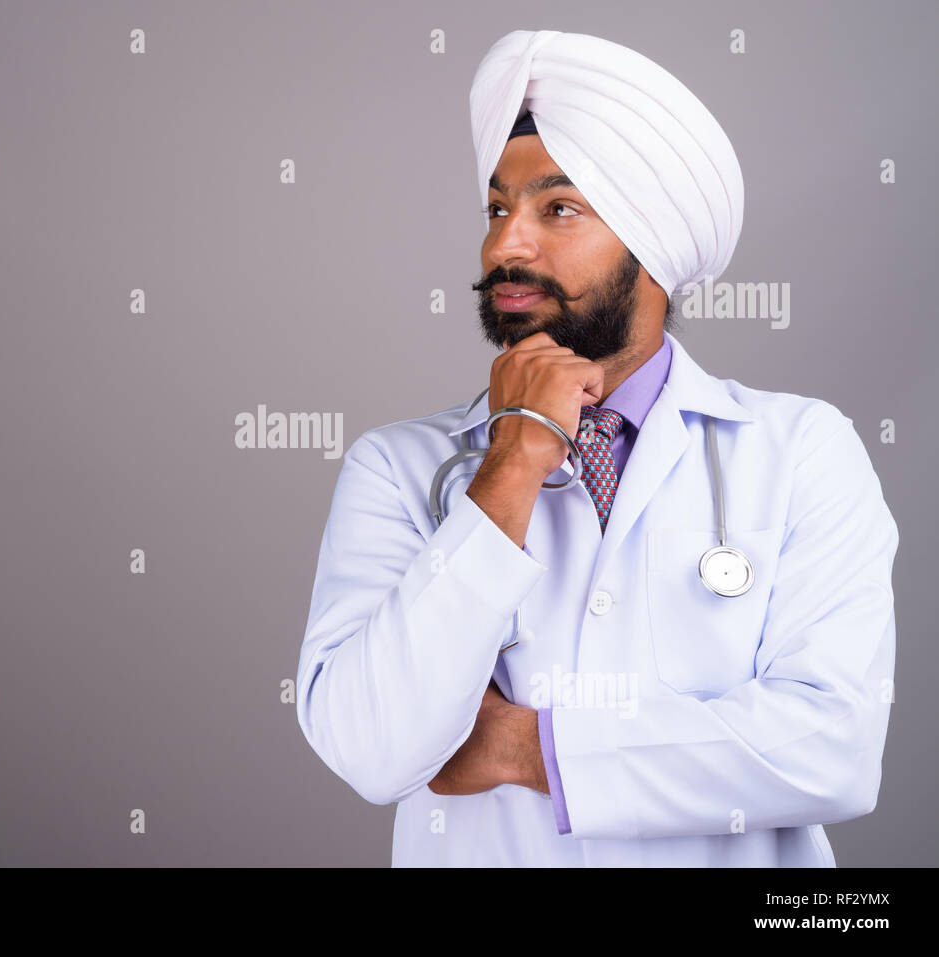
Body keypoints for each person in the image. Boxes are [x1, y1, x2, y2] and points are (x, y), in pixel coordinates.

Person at [294, 29, 898, 866]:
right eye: (497, 209)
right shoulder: (396, 467)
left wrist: (524, 746)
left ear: (654, 244)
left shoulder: (802, 451)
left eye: (558, 209)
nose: (505, 245)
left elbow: (831, 749)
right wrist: (510, 466)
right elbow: (371, 747)